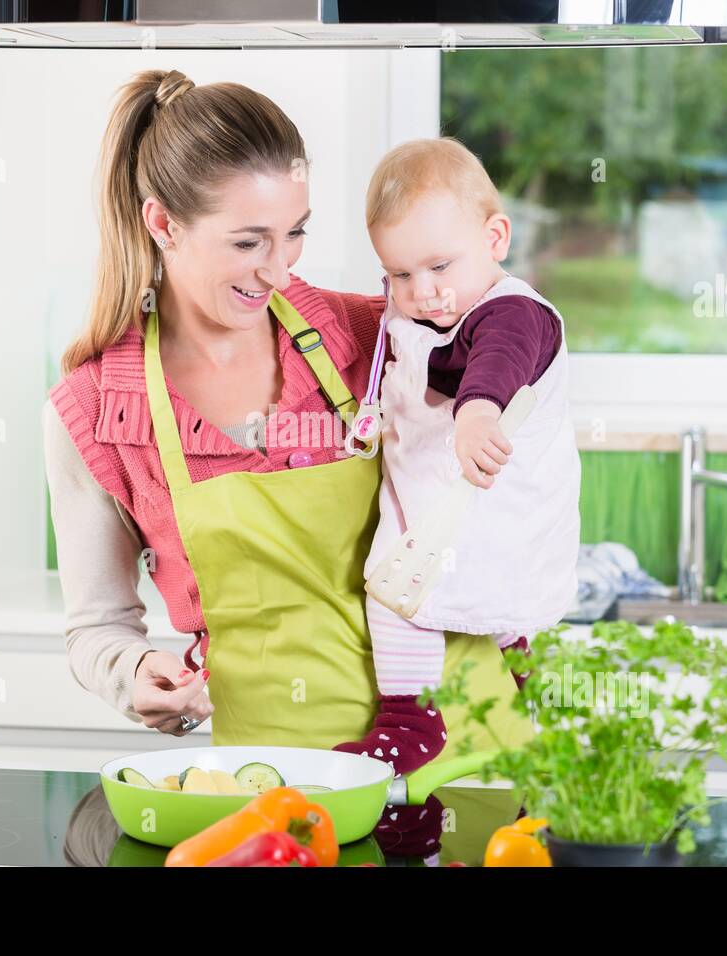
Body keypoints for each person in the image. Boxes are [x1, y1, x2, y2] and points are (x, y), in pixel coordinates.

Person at [44, 70, 529, 762]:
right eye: (248, 243)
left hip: (475, 741)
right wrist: (134, 675)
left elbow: (518, 323)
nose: (277, 269)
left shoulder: (373, 333)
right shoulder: (94, 410)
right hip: (286, 782)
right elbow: (97, 629)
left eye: (294, 233)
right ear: (163, 223)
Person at [333, 138, 581, 774]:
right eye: (401, 274)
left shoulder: (514, 313)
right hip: (426, 505)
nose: (425, 292)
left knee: (513, 616)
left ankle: (563, 744)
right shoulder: (415, 311)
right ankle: (410, 722)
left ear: (496, 237)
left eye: (440, 267)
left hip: (499, 506)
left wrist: (478, 411)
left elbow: (497, 360)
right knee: (394, 597)